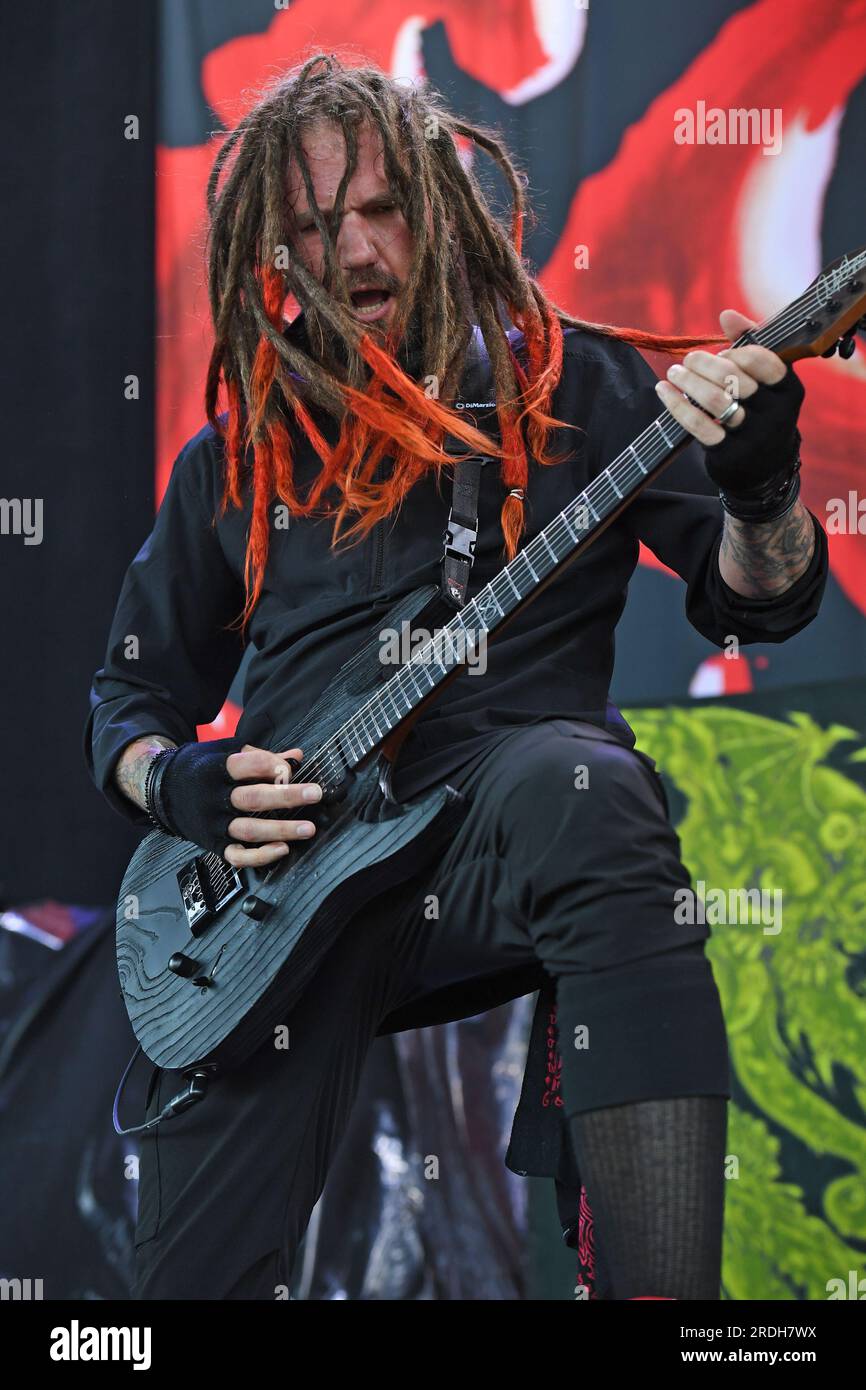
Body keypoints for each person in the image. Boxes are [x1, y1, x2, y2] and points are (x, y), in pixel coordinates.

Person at [85, 54, 827, 1300]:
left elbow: (760, 596)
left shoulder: (571, 384)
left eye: (380, 209)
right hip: (279, 901)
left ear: (437, 209)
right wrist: (184, 789)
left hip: (492, 829)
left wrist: (760, 485)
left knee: (584, 788)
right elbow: (125, 705)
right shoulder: (237, 458)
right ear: (276, 252)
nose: (358, 249)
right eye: (318, 228)